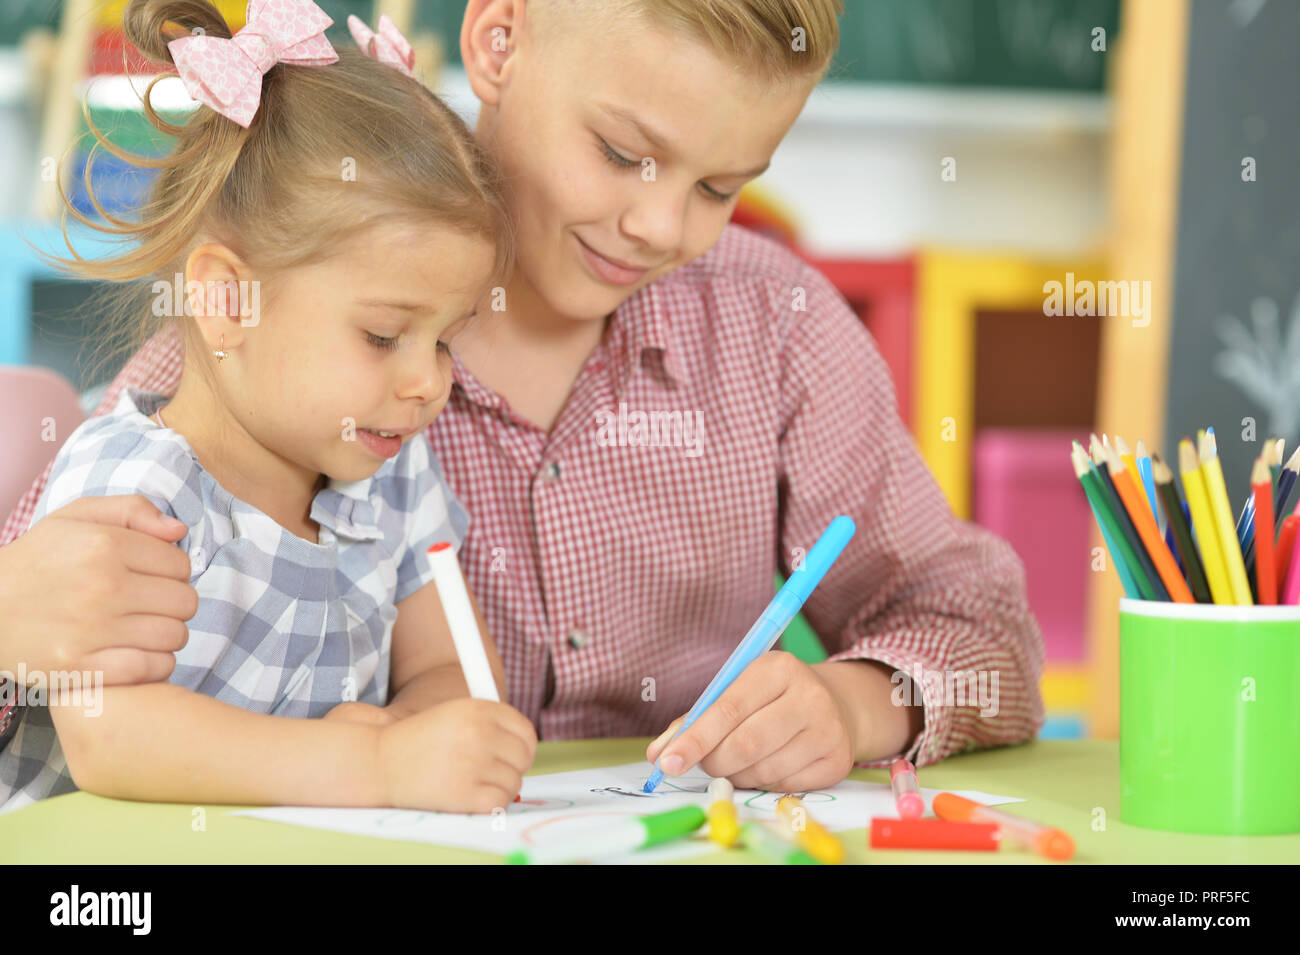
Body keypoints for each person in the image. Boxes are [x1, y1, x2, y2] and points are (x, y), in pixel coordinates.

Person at [2, 0, 1043, 798]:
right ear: (499, 40)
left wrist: (856, 707)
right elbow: (53, 642)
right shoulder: (302, 296)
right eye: (623, 152)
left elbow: (982, 627)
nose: (660, 226)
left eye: (718, 187)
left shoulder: (778, 332)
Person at [0, 0, 536, 815]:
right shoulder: (140, 482)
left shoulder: (392, 470)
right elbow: (110, 733)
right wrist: (376, 765)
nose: (430, 382)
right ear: (227, 301)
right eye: (386, 335)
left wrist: (430, 731)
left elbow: (453, 662)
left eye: (447, 340)